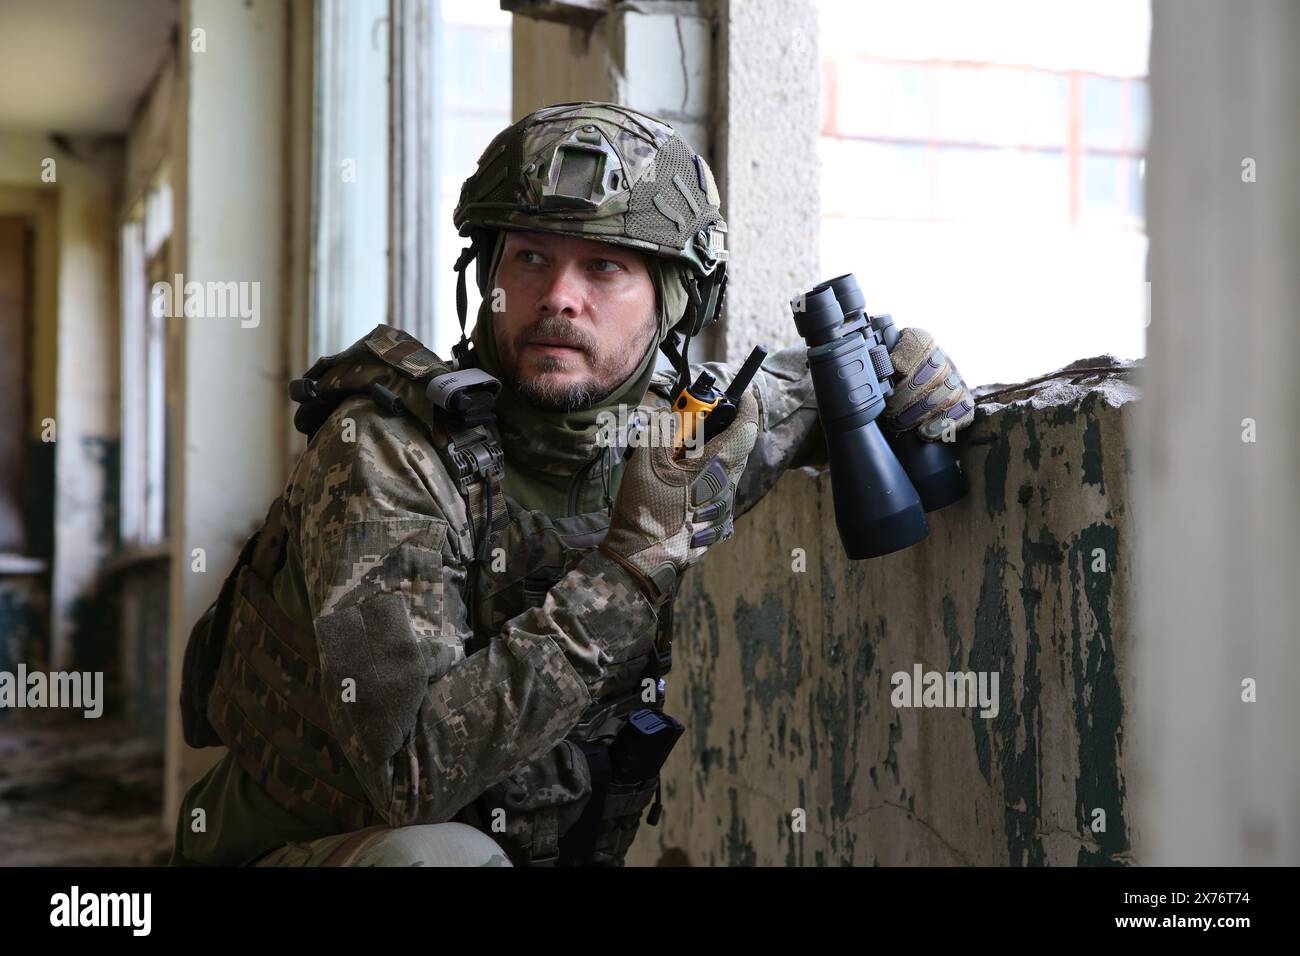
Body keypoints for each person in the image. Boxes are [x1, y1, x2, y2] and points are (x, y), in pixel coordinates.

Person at [168, 102, 974, 868]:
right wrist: (628, 573)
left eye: (604, 267)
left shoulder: (675, 434)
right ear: (487, 277)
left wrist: (890, 362)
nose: (559, 296)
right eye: (529, 259)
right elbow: (408, 779)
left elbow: (782, 396)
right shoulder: (384, 453)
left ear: (672, 303)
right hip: (310, 848)